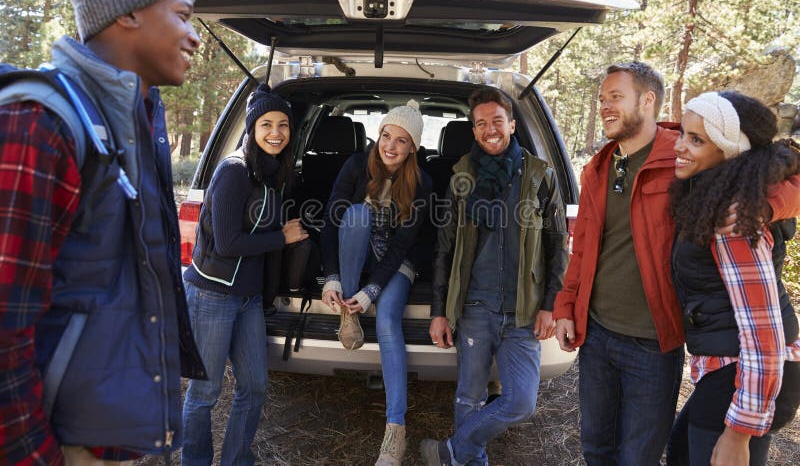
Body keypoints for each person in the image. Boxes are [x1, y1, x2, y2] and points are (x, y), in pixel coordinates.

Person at [0, 0, 206, 464]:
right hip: (55, 447)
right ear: (128, 14)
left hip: (109, 440)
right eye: (183, 16)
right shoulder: (41, 123)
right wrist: (31, 455)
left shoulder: (134, 118)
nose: (195, 37)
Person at [552, 62, 800, 465]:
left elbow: (776, 176)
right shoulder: (598, 168)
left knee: (641, 456)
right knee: (597, 447)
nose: (605, 106)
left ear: (648, 100)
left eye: (616, 96)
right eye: (601, 98)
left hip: (653, 342)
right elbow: (583, 249)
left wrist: (766, 206)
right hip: (597, 334)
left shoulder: (687, 163)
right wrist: (567, 306)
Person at [419, 87, 568, 466]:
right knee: (469, 397)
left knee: (521, 402)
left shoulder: (540, 175)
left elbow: (557, 246)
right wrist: (439, 311)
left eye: (497, 121)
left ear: (512, 125)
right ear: (473, 131)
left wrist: (551, 304)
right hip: (475, 308)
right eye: (481, 123)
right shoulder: (461, 179)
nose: (490, 130)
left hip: (523, 312)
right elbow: (445, 248)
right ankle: (470, 460)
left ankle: (451, 450)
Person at [665, 91, 800, 466]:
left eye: (697, 139)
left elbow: (764, 335)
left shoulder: (734, 221)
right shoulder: (716, 192)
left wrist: (738, 433)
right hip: (731, 371)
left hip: (747, 374)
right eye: (682, 133)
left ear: (728, 149)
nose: (680, 146)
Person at [181, 84, 309, 466]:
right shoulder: (233, 171)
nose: (276, 132)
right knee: (204, 394)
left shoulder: (273, 173)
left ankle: (237, 460)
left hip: (248, 299)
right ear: (252, 128)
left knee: (254, 387)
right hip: (212, 297)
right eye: (267, 124)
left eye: (283, 125)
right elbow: (226, 243)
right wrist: (281, 237)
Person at [319, 100, 432, 466]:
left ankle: (394, 432)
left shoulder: (422, 182)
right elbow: (330, 224)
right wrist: (333, 279)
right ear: (378, 135)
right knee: (351, 215)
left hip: (397, 262)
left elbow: (401, 246)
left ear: (413, 147)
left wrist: (372, 293)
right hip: (357, 254)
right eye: (386, 136)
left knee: (386, 320)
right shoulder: (356, 165)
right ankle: (346, 313)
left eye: (401, 141)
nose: (390, 146)